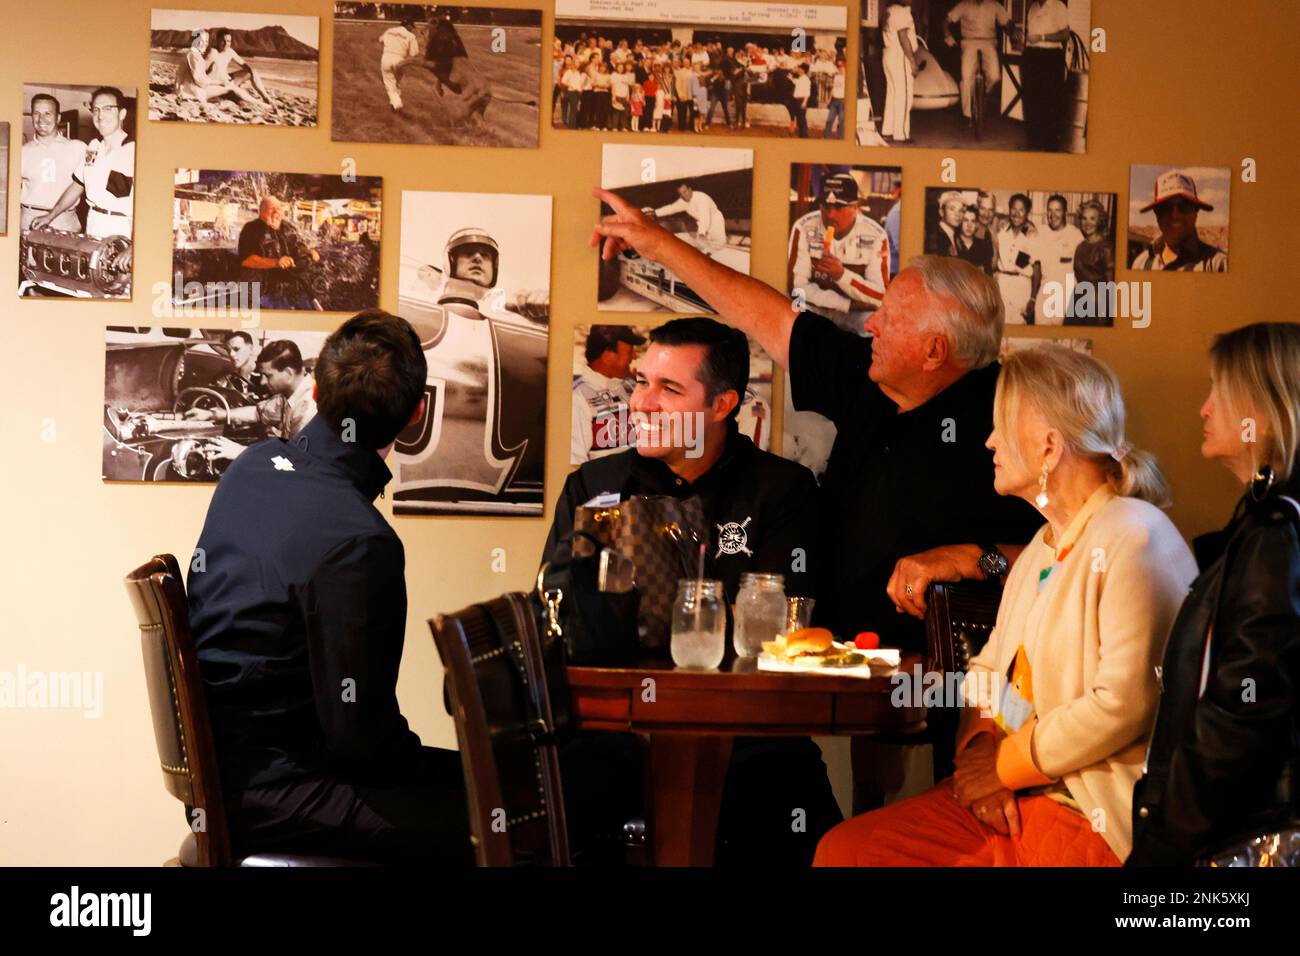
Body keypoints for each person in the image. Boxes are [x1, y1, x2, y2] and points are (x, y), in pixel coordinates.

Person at [815, 346, 1198, 866]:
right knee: (845, 848)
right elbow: (992, 673)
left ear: (1047, 447)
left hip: (1091, 814)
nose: (989, 441)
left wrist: (1005, 766)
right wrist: (980, 751)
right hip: (1019, 795)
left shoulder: (1133, 533)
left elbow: (1124, 703)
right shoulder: (1043, 545)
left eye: (999, 425)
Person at [543, 317, 841, 866]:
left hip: (748, 739)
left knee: (806, 820)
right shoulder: (593, 487)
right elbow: (557, 624)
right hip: (617, 737)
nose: (642, 403)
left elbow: (782, 636)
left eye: (668, 388)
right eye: (640, 382)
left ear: (723, 405)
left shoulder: (782, 491)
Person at [187, 310, 472, 864]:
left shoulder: (252, 465)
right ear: (416, 416)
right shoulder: (362, 542)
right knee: (513, 816)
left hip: (228, 778)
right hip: (282, 795)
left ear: (314, 389)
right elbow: (360, 741)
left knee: (486, 787)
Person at [1130, 323, 1300, 865]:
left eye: (1217, 393)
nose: (1204, 409)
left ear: (1262, 412)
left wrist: (1166, 838)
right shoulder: (1260, 525)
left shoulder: (1276, 534)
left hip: (1230, 841)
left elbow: (1243, 713)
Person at [788, 172, 890, 333]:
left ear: (855, 207)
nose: (830, 214)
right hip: (818, 309)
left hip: (855, 315)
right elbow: (797, 289)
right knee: (793, 316)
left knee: (877, 326)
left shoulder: (876, 235)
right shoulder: (803, 227)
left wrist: (842, 275)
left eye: (838, 207)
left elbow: (880, 296)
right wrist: (846, 304)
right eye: (825, 206)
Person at [186, 339, 317, 444]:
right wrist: (214, 414)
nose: (262, 382)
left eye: (268, 376)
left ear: (288, 373)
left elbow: (294, 462)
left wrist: (239, 453)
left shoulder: (307, 408)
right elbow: (258, 412)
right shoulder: (289, 396)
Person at [1130, 169, 1228, 272]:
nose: (1175, 215)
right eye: (1165, 207)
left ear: (1196, 211)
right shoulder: (1140, 264)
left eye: (1184, 206)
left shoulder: (1217, 265)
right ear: (1157, 214)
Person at [571, 325, 644, 463]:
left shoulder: (631, 385)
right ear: (607, 356)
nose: (634, 356)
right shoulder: (578, 397)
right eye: (629, 352)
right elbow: (576, 463)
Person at [237, 196, 321, 311]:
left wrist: (308, 251)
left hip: (284, 285)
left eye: (279, 208)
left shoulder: (287, 227)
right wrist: (276, 262)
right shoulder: (251, 229)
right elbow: (246, 260)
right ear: (261, 211)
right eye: (272, 208)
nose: (277, 211)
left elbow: (297, 246)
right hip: (260, 289)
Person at [19, 93, 86, 232]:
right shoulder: (21, 151)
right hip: (29, 221)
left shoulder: (79, 148)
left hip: (66, 222)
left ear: (58, 118)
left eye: (47, 113)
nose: (41, 119)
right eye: (36, 113)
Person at [944, 0, 1012, 125]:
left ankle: (982, 91)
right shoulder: (964, 5)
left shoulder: (994, 5)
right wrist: (947, 34)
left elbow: (1007, 22)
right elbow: (947, 20)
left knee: (995, 75)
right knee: (966, 76)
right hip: (969, 42)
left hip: (989, 42)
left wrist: (1013, 33)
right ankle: (967, 115)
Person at [1021, 0, 1072, 150]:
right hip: (1032, 55)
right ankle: (1034, 142)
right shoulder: (1032, 8)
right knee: (1031, 99)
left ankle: (1051, 145)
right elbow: (1030, 36)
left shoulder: (1058, 6)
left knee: (1051, 100)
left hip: (1050, 57)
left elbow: (1065, 34)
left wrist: (1041, 37)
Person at [1032, 194, 1083, 325]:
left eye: (1057, 210)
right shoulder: (1040, 231)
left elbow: (1083, 268)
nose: (1052, 214)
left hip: (1066, 298)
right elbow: (1035, 265)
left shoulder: (1075, 235)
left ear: (1065, 212)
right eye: (1049, 210)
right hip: (1044, 296)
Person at [205, 29, 280, 116]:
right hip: (216, 84)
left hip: (227, 80)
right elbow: (202, 72)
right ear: (217, 40)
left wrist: (252, 72)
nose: (226, 44)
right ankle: (261, 104)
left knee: (251, 72)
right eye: (223, 41)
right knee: (240, 97)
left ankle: (266, 97)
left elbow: (244, 65)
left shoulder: (230, 51)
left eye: (228, 41)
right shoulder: (212, 52)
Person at [995, 193, 1039, 325]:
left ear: (1027, 213)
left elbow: (1037, 270)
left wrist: (1032, 299)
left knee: (1019, 325)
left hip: (1021, 286)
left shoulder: (1033, 235)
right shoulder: (1001, 231)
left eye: (1021, 210)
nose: (1017, 213)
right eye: (1014, 209)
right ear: (1009, 209)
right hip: (1002, 284)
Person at [1068, 200, 1114, 325]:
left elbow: (1111, 286)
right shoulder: (1080, 246)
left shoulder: (1106, 247)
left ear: (1099, 221)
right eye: (1084, 218)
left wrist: (1105, 314)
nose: (1087, 223)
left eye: (1092, 219)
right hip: (1078, 301)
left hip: (1098, 305)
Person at [880, 1, 919, 143]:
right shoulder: (902, 11)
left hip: (889, 53)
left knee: (892, 94)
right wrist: (912, 61)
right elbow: (903, 37)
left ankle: (888, 131)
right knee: (904, 95)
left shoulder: (889, 9)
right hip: (900, 55)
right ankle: (901, 134)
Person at [654, 183, 726, 247]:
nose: (683, 195)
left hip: (715, 223)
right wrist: (655, 213)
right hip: (702, 225)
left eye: (685, 192)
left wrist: (702, 233)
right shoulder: (683, 201)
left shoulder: (701, 198)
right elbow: (671, 208)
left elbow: (705, 217)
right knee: (704, 247)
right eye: (680, 194)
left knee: (719, 247)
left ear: (690, 189)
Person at [213, 330, 271, 405]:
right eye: (228, 350)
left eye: (236, 349)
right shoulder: (226, 379)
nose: (231, 354)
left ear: (251, 349)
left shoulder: (265, 378)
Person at [378, 17, 421, 111]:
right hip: (399, 60)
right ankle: (396, 104)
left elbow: (380, 40)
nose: (412, 29)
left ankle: (396, 104)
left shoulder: (390, 30)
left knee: (389, 83)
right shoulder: (410, 36)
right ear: (408, 26)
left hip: (386, 57)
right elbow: (414, 53)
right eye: (412, 27)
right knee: (397, 83)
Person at [955, 204, 995, 275]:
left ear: (977, 224)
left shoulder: (983, 246)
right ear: (960, 222)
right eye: (965, 220)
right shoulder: (953, 243)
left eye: (973, 221)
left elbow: (989, 274)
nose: (969, 225)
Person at [926, 190, 964, 257]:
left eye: (960, 210)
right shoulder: (934, 237)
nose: (957, 214)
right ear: (941, 212)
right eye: (952, 209)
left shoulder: (956, 237)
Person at [822, 59, 846, 139]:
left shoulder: (848, 78)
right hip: (834, 101)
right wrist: (829, 99)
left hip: (842, 101)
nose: (841, 69)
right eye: (840, 67)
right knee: (829, 119)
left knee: (841, 121)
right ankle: (826, 137)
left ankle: (841, 138)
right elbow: (833, 88)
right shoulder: (836, 77)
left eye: (842, 67)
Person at [790, 63, 812, 137]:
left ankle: (804, 135)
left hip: (801, 100)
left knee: (802, 119)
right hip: (797, 100)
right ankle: (801, 135)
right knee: (799, 119)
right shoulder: (801, 78)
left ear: (803, 70)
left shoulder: (806, 80)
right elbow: (796, 82)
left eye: (800, 68)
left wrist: (804, 102)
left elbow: (807, 93)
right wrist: (791, 78)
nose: (798, 69)